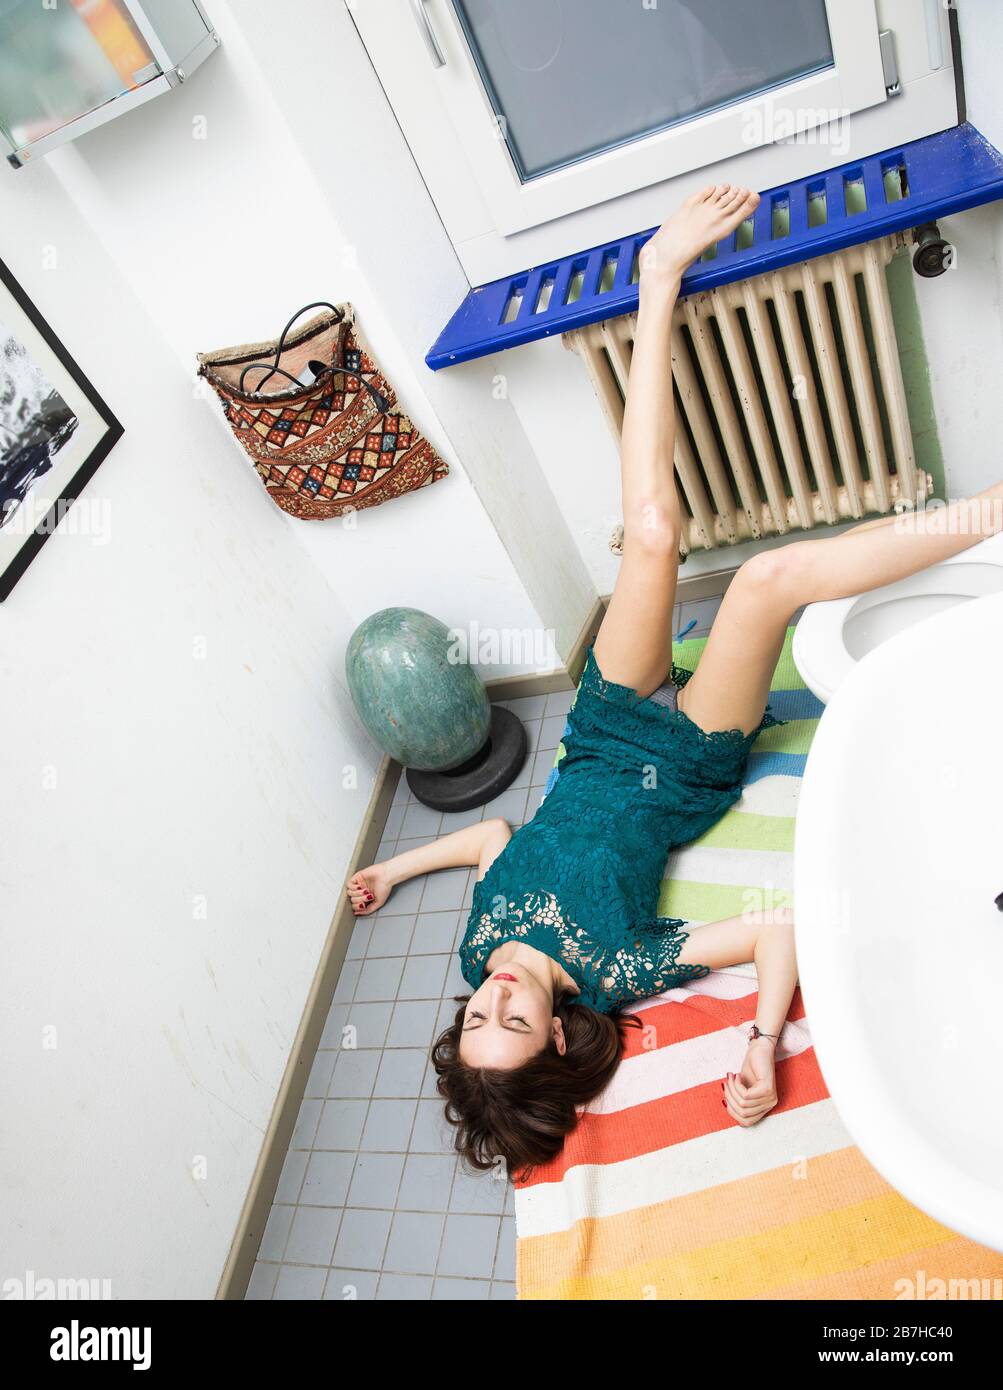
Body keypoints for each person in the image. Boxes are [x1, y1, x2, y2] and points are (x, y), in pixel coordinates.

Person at [348, 184, 1003, 1177]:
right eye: (513, 1016)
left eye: (479, 1008)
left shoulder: (480, 948)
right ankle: (993, 512)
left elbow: (490, 834)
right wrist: (760, 1043)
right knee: (762, 581)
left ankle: (656, 281)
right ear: (560, 1035)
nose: (498, 990)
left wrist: (391, 870)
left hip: (601, 728)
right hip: (689, 759)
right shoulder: (616, 970)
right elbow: (775, 930)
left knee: (649, 531)